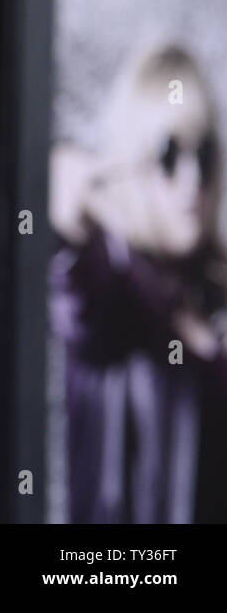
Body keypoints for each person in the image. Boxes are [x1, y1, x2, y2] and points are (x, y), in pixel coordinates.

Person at [49, 44, 227, 522]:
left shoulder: (215, 292)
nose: (191, 180)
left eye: (205, 154)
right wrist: (78, 223)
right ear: (134, 160)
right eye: (169, 153)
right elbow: (80, 308)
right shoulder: (109, 274)